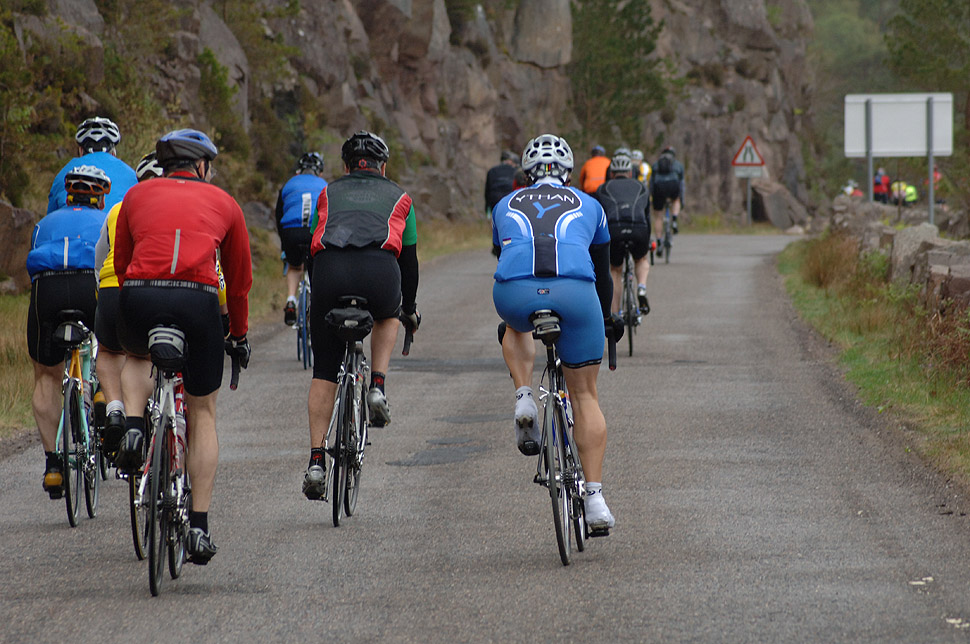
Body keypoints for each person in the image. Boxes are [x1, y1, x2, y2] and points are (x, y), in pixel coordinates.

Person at [113, 128, 253, 564]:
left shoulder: (136, 197)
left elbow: (121, 262)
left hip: (140, 293)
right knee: (202, 410)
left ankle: (134, 427)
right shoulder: (225, 203)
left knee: (136, 355)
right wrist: (239, 335)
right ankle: (198, 527)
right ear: (202, 166)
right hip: (198, 301)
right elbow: (240, 281)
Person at [491, 133, 623, 534]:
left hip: (514, 291)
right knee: (584, 395)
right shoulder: (592, 205)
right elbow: (602, 274)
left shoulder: (504, 204)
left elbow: (507, 254)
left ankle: (524, 395)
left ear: (526, 173)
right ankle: (595, 499)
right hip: (575, 292)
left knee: (514, 325)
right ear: (569, 171)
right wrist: (607, 319)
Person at [301, 131, 420, 500]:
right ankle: (378, 386)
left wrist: (318, 291)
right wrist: (409, 310)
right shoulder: (401, 196)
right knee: (390, 313)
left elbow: (311, 249)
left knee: (324, 371)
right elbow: (409, 264)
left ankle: (317, 461)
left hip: (330, 273)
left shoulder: (327, 192)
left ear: (346, 167)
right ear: (383, 167)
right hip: (379, 273)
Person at [26, 166, 110, 497]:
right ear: (100, 196)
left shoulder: (43, 225)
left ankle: (53, 466)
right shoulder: (104, 222)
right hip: (87, 282)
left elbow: (31, 273)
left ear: (68, 193)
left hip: (47, 290)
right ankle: (102, 390)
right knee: (110, 344)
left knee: (46, 375)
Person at [93, 153, 162, 459]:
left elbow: (100, 259)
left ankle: (115, 408)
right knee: (143, 355)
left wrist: (102, 295)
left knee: (109, 351)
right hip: (150, 289)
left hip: (111, 286)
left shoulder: (118, 209)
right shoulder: (175, 208)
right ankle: (141, 418)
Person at [595, 154, 652, 315]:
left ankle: (616, 314)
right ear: (630, 172)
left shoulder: (603, 188)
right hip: (639, 229)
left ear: (611, 173)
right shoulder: (642, 187)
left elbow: (600, 219)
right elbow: (647, 218)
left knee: (615, 269)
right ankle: (641, 288)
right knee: (641, 259)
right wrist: (647, 241)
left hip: (614, 231)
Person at [276, 152, 328, 326]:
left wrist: (284, 245)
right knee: (320, 267)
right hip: (315, 232)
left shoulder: (288, 185)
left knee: (294, 265)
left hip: (291, 232)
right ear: (319, 172)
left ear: (299, 171)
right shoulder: (324, 185)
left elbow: (279, 216)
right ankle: (319, 304)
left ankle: (291, 299)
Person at [47, 117, 137, 214]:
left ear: (81, 151)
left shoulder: (64, 173)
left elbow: (52, 217)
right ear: (113, 153)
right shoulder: (131, 175)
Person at [650, 145, 685, 251]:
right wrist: (681, 199)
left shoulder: (656, 165)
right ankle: (674, 219)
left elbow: (651, 183)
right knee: (676, 200)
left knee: (658, 217)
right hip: (673, 185)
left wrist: (652, 196)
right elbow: (682, 184)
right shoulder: (678, 165)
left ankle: (659, 241)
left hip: (659, 188)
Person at [484, 150, 520, 216]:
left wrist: (487, 208)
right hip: (509, 198)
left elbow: (487, 191)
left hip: (495, 198)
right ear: (511, 161)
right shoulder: (516, 171)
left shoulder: (492, 171)